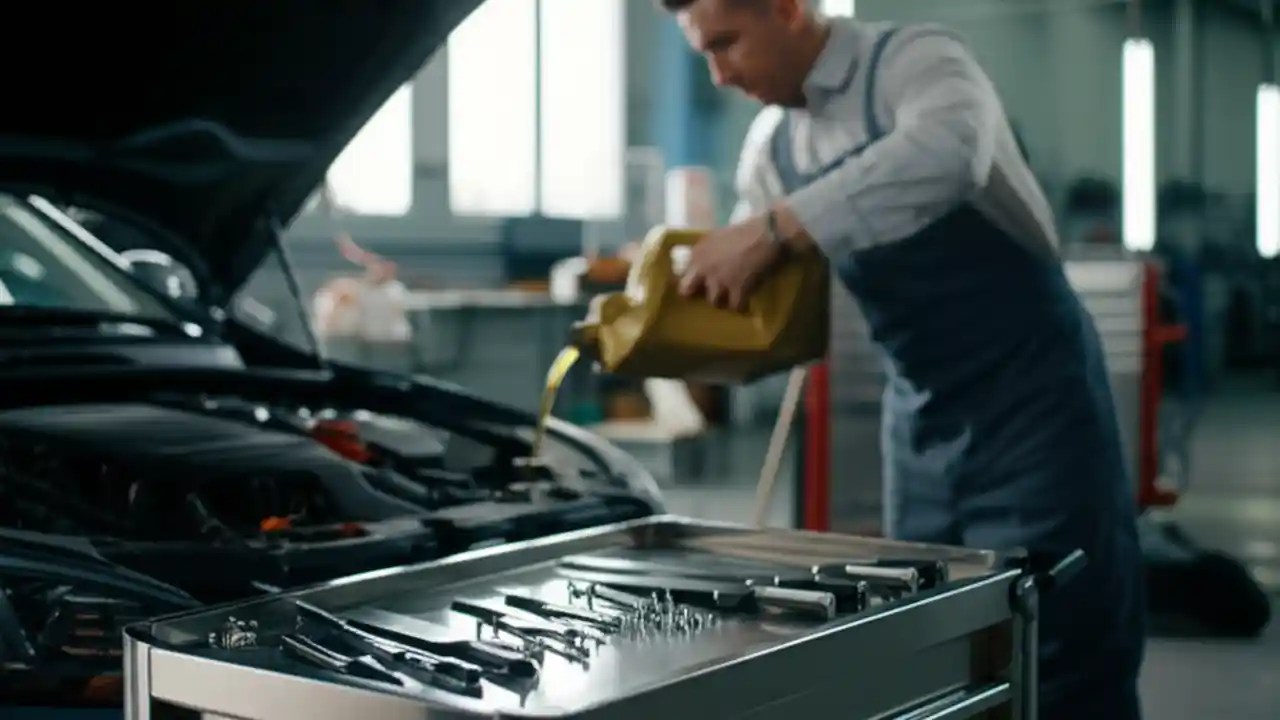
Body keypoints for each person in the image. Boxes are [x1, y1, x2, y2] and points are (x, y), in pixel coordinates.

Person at [656, 1, 1146, 718]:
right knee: (935, 637)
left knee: (1059, 634)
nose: (719, 75)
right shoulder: (771, 149)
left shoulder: (917, 64)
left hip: (1035, 403)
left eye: (726, 44)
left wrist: (778, 227)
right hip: (920, 421)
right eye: (704, 54)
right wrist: (661, 321)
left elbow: (949, 151)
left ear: (788, 9)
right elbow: (754, 288)